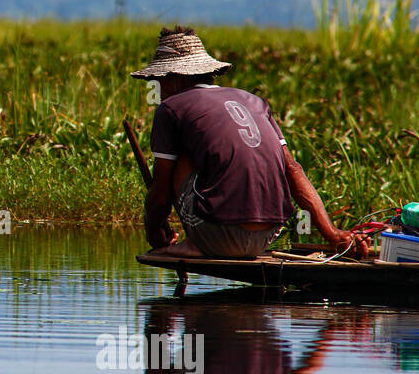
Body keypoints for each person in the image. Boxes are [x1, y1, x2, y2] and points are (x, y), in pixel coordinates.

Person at [131, 26, 367, 259]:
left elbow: (160, 192)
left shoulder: (171, 109)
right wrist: (333, 234)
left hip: (216, 238)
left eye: (158, 81)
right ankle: (206, 236)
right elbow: (293, 169)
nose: (158, 90)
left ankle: (195, 242)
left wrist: (154, 232)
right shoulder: (254, 101)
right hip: (268, 235)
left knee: (179, 160)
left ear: (176, 78)